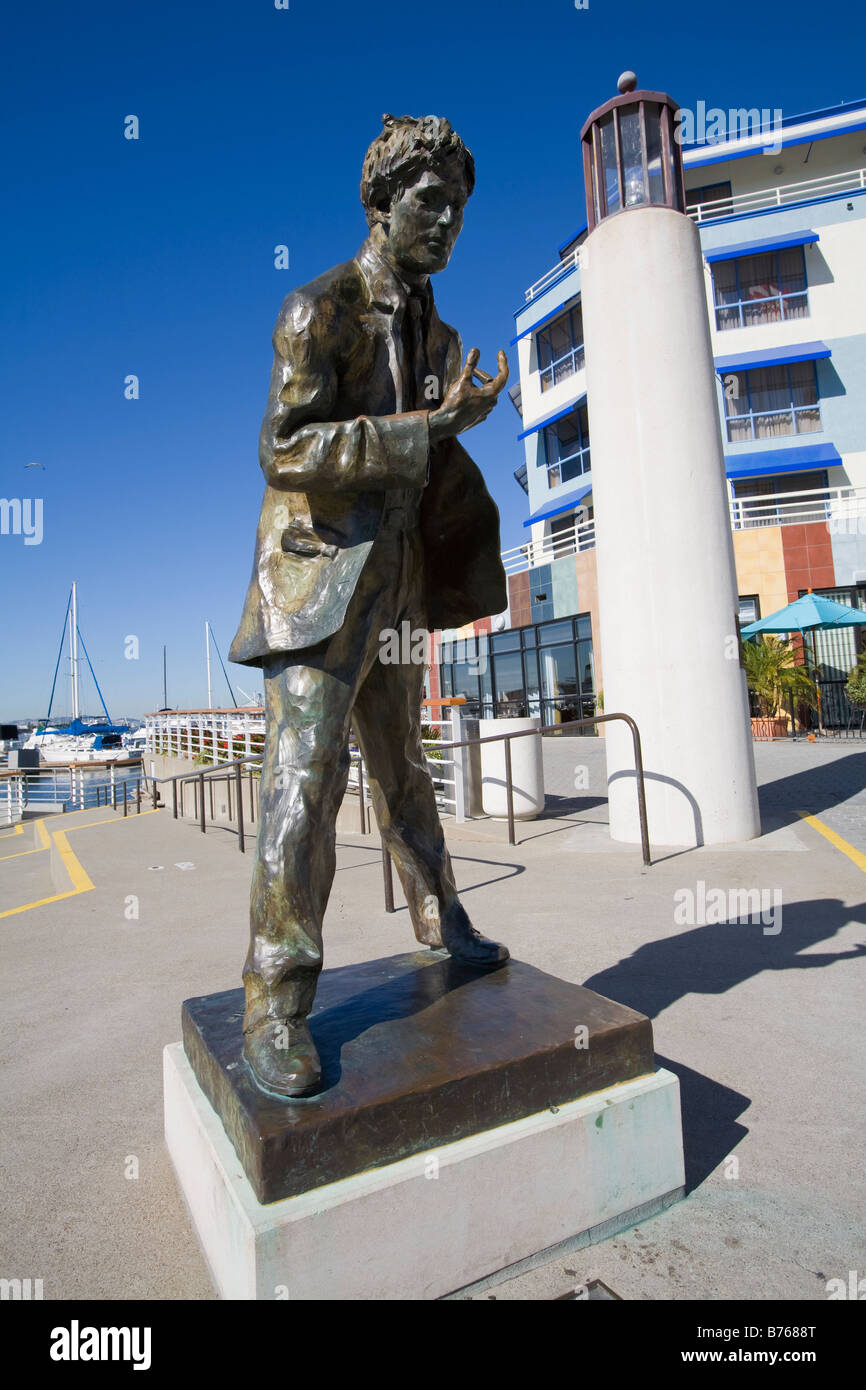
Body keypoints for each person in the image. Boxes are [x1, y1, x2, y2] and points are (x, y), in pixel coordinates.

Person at [229, 113, 510, 1097]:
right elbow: (284, 449)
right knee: (305, 785)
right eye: (428, 203)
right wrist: (425, 427)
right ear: (380, 204)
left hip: (392, 575)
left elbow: (426, 448)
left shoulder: (434, 328)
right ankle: (274, 1000)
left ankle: (442, 919)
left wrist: (447, 438)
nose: (445, 223)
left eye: (459, 209)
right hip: (314, 577)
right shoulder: (319, 309)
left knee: (403, 765)